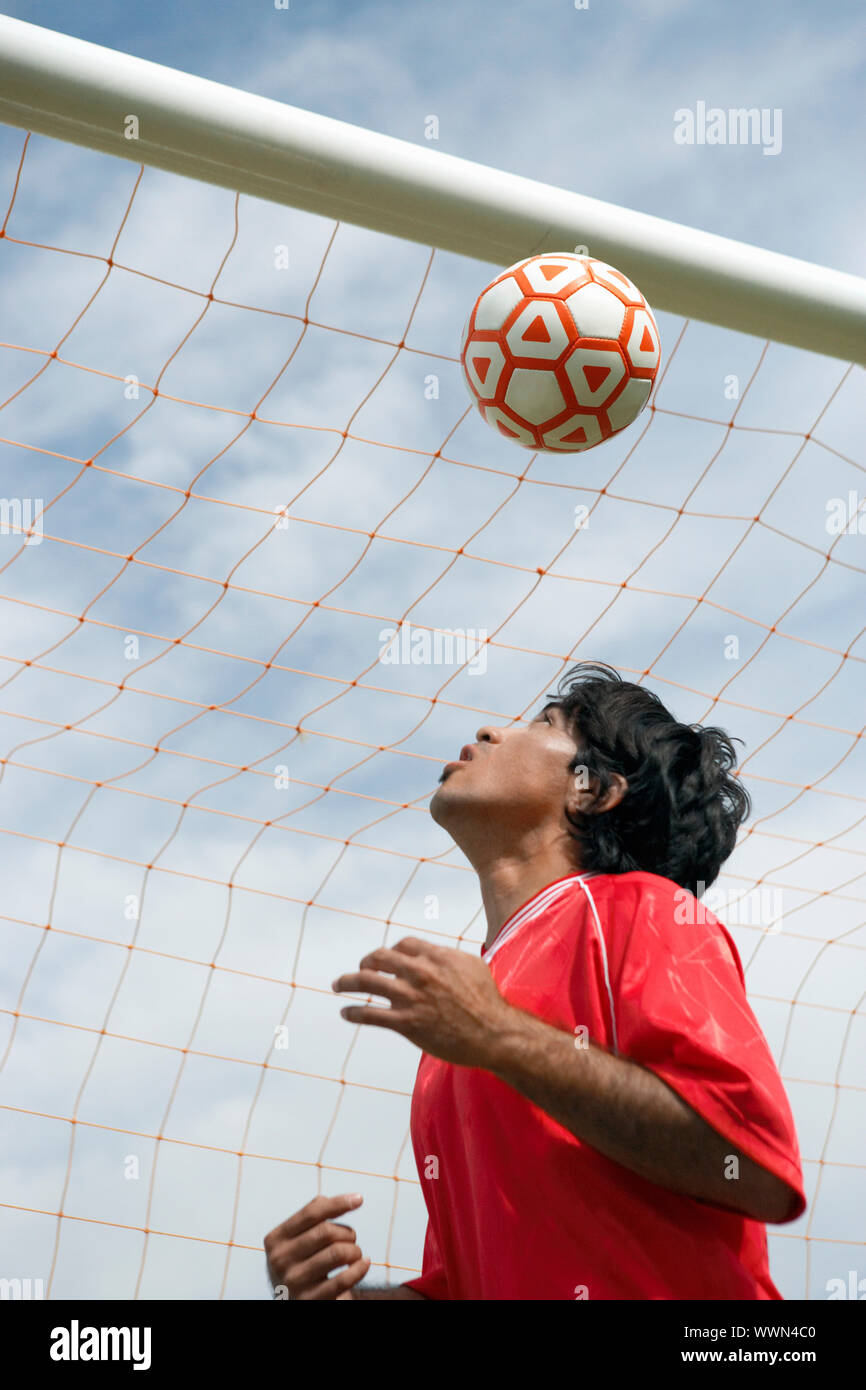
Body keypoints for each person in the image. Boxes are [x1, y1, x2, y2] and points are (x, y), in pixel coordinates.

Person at [264, 662, 805, 1300]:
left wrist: (500, 1037)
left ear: (593, 791)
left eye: (544, 723)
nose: (492, 730)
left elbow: (754, 1165)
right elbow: (468, 1284)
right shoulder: (464, 1019)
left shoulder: (644, 910)